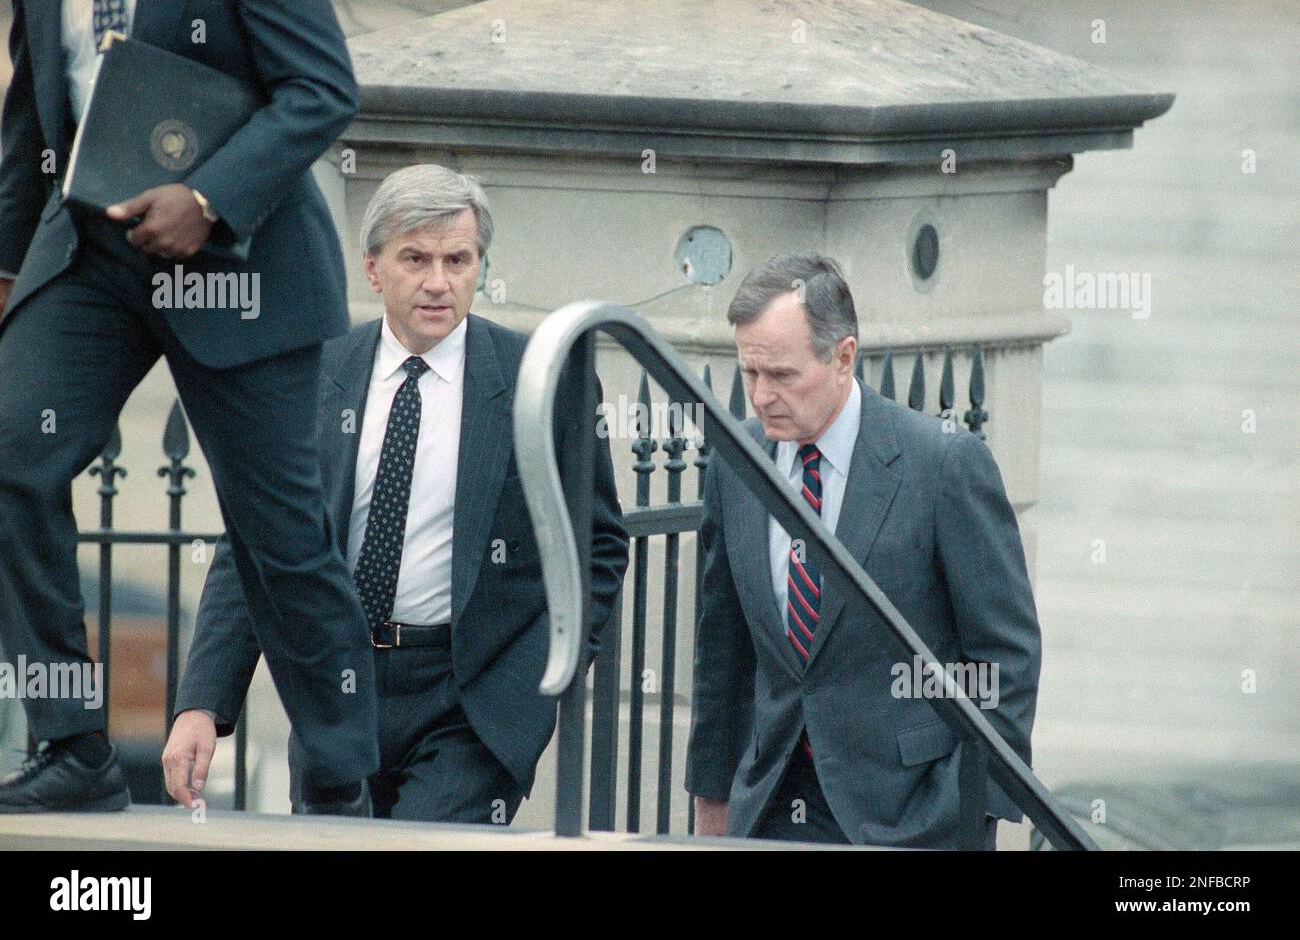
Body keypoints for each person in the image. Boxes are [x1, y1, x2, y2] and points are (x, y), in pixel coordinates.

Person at [0, 0, 380, 815]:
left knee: (281, 538)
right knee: (9, 453)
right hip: (87, 255)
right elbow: (32, 112)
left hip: (239, 261)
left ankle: (345, 787)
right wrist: (6, 276)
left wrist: (206, 199)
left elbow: (321, 88)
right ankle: (73, 746)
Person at [163, 165, 629, 823]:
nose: (439, 281)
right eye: (416, 258)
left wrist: (536, 685)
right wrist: (202, 704)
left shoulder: (544, 380)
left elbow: (598, 547)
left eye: (457, 260)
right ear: (374, 269)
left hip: (470, 703)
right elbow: (253, 541)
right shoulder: (311, 375)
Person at [685, 253, 1042, 848]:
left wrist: (967, 803)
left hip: (909, 815)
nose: (762, 395)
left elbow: (1006, 656)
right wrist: (713, 802)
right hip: (770, 805)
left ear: (843, 356)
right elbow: (722, 653)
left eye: (783, 375)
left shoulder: (943, 465)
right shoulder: (736, 461)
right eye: (750, 374)